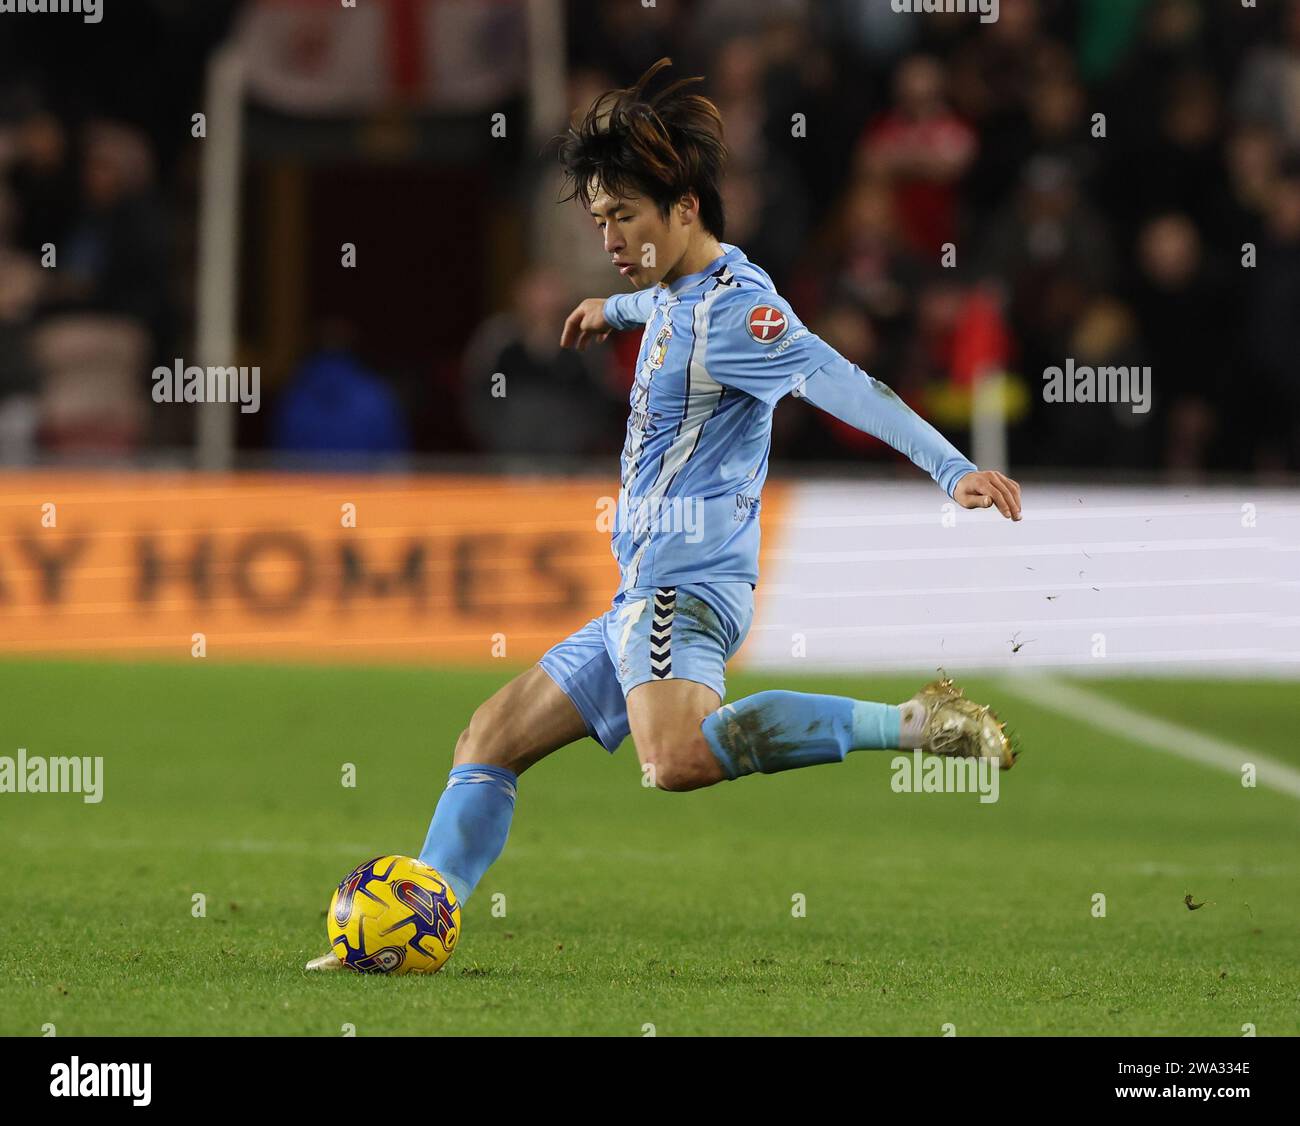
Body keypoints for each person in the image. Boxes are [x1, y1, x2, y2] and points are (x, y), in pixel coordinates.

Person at [306, 59, 1023, 971]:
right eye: (600, 218)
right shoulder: (682, 290)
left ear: (684, 207)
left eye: (625, 218)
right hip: (640, 592)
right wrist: (618, 305)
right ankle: (422, 922)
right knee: (488, 738)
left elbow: (842, 381)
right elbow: (670, 298)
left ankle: (913, 725)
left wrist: (951, 469)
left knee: (674, 759)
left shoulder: (743, 313)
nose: (607, 234)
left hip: (685, 587)